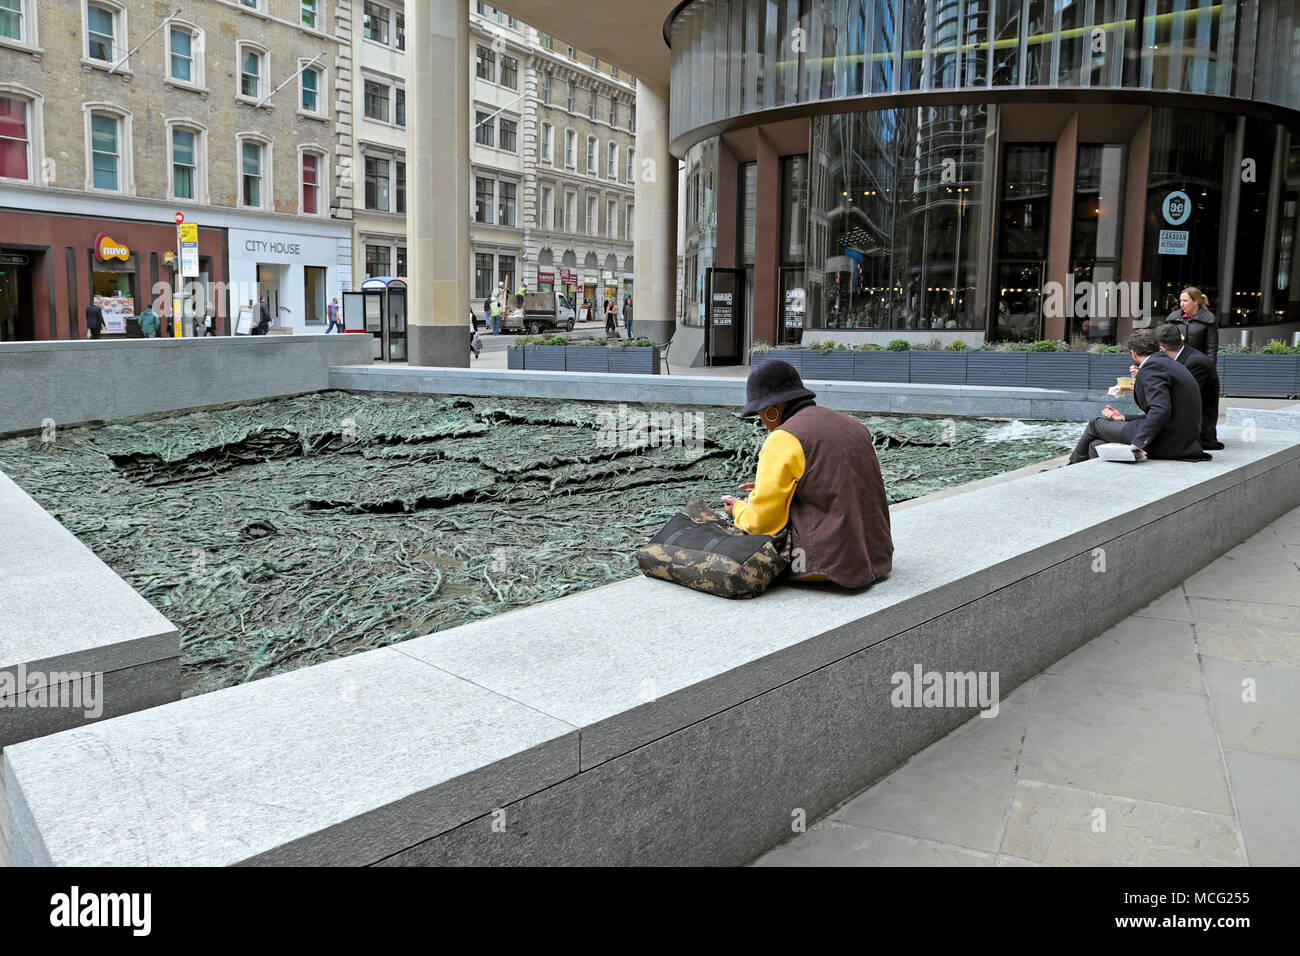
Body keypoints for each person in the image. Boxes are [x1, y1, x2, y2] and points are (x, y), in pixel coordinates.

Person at [721, 360, 893, 587]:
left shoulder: (783, 438)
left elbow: (762, 523)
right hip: (876, 556)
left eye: (760, 413)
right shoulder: (856, 427)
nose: (761, 421)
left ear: (772, 410)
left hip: (824, 565)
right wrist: (777, 487)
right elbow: (842, 480)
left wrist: (739, 510)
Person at [1068, 329, 1208, 464]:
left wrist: (1139, 443)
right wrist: (1123, 418)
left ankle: (1069, 467)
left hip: (1169, 440)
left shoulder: (1152, 367)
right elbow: (1169, 411)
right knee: (1096, 445)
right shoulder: (1171, 364)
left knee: (1095, 424)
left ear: (1133, 353)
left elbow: (1161, 410)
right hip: (1181, 439)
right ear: (1158, 348)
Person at [1155, 322, 1224, 450]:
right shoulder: (1185, 357)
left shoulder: (1196, 363)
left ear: (1162, 349)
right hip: (1182, 426)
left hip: (1195, 434)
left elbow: (1181, 399)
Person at [1166, 286, 1218, 364]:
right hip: (1176, 365)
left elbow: (1211, 349)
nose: (1181, 304)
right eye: (1181, 301)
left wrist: (1210, 370)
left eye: (1185, 301)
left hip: (1198, 365)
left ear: (1196, 301)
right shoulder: (1173, 319)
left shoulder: (1208, 319)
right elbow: (1166, 345)